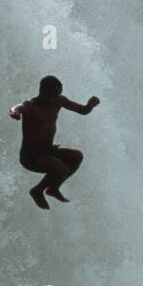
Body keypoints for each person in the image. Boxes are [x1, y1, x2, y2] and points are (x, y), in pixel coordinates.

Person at [9, 75, 99, 209]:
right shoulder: (30, 106)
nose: (56, 98)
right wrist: (14, 113)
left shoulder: (59, 101)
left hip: (48, 149)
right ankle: (37, 190)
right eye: (53, 95)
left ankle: (53, 188)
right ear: (42, 92)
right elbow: (16, 108)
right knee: (61, 169)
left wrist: (90, 105)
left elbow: (82, 110)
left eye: (59, 94)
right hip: (30, 156)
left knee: (77, 156)